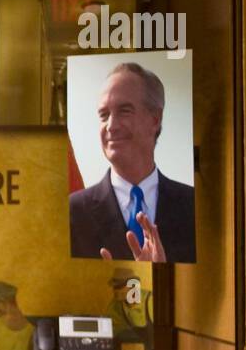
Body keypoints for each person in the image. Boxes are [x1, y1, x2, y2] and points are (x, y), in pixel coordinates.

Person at [69, 61, 196, 262]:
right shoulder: (72, 213)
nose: (111, 126)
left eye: (124, 111)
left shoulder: (194, 207)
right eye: (104, 115)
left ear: (155, 119)